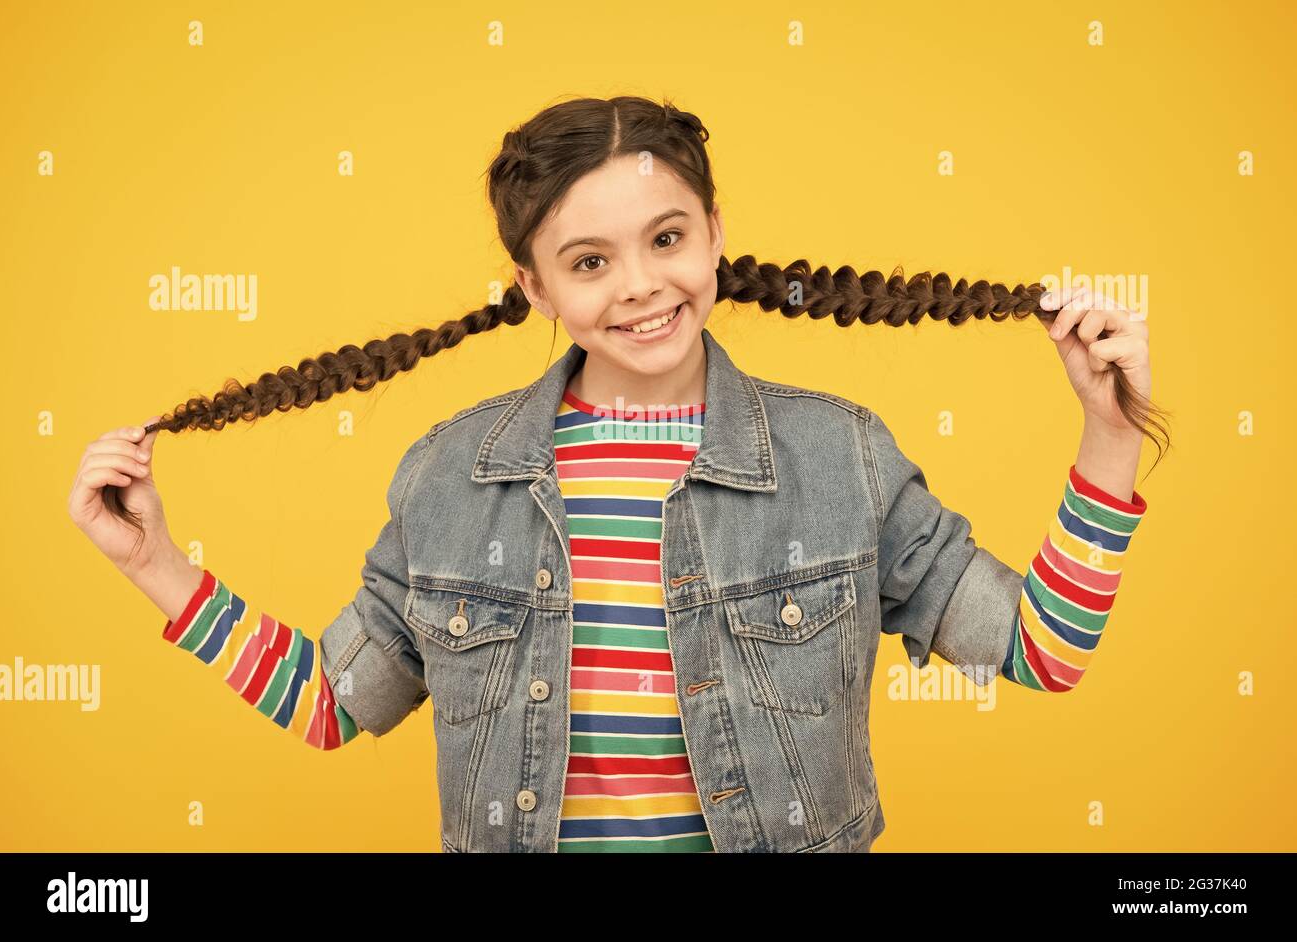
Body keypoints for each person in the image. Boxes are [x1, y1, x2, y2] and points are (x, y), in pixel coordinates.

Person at [68, 96, 1162, 853]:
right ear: (533, 287)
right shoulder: (450, 476)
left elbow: (1038, 651)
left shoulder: (842, 459)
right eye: (589, 261)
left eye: (667, 238)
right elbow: (329, 703)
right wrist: (156, 562)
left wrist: (1107, 439)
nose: (640, 288)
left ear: (717, 234)